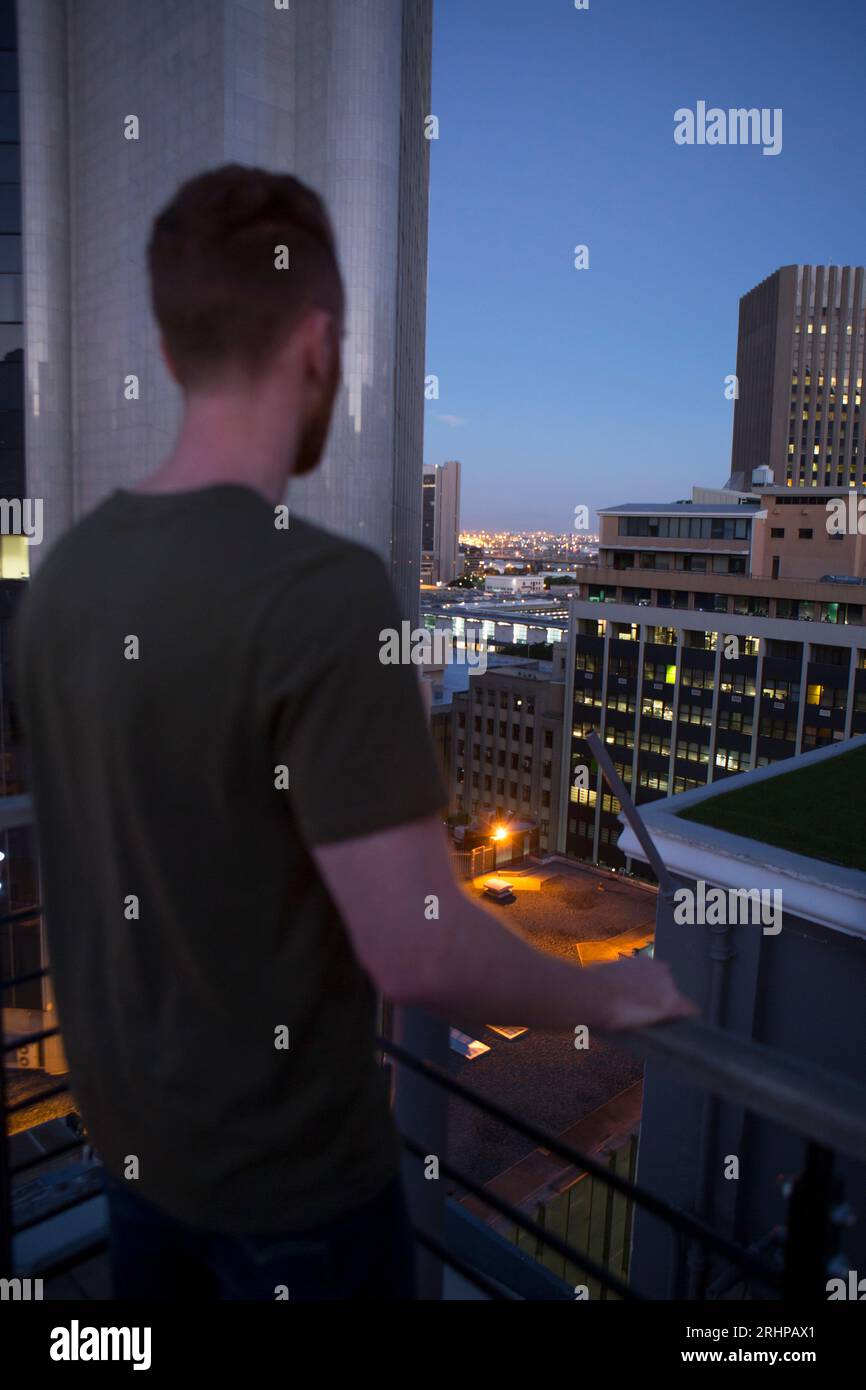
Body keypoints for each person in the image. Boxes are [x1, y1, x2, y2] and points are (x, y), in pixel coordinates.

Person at [14, 165, 694, 1302]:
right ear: (318, 345)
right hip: (296, 1198)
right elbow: (420, 946)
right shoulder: (323, 590)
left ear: (172, 351)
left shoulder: (64, 581)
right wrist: (621, 997)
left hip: (137, 1163)